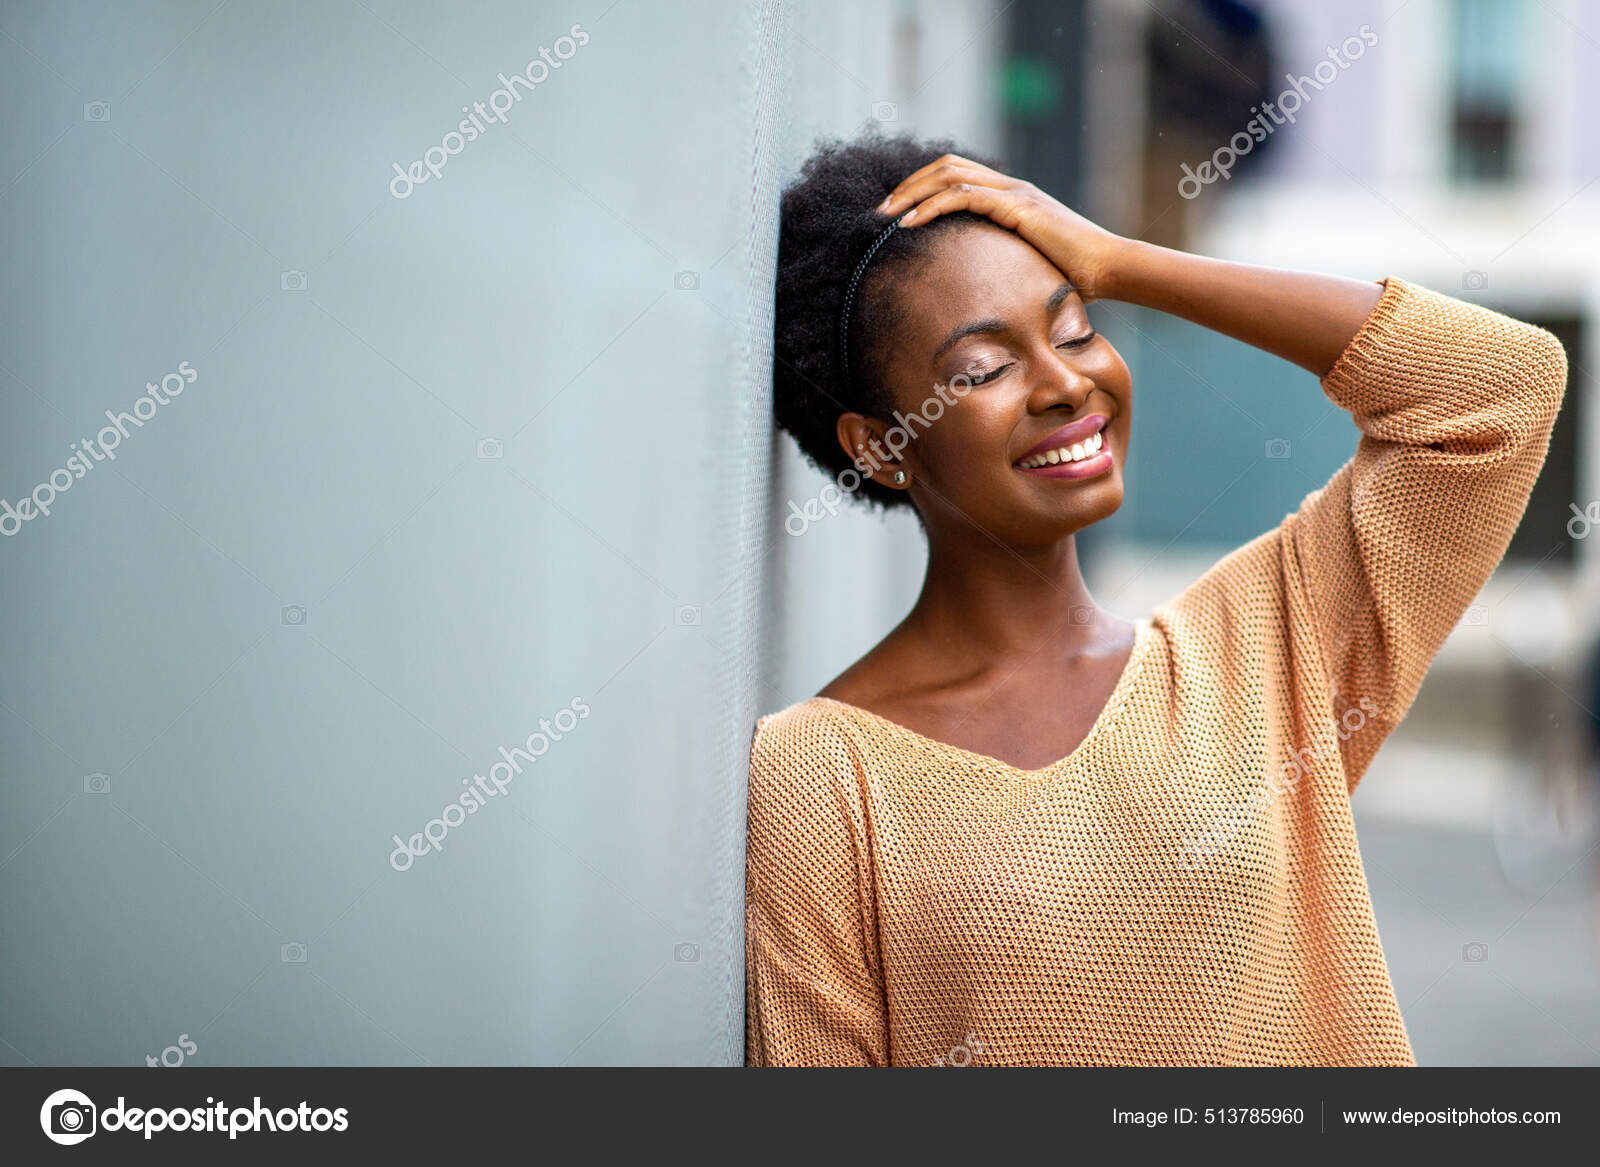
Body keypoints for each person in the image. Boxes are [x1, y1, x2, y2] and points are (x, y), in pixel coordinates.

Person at [744, 133, 1568, 1066]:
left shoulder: (1263, 644)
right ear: (881, 445)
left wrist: (1122, 261)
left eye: (1074, 329)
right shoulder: (823, 774)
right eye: (984, 369)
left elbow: (1500, 388)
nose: (1066, 384)